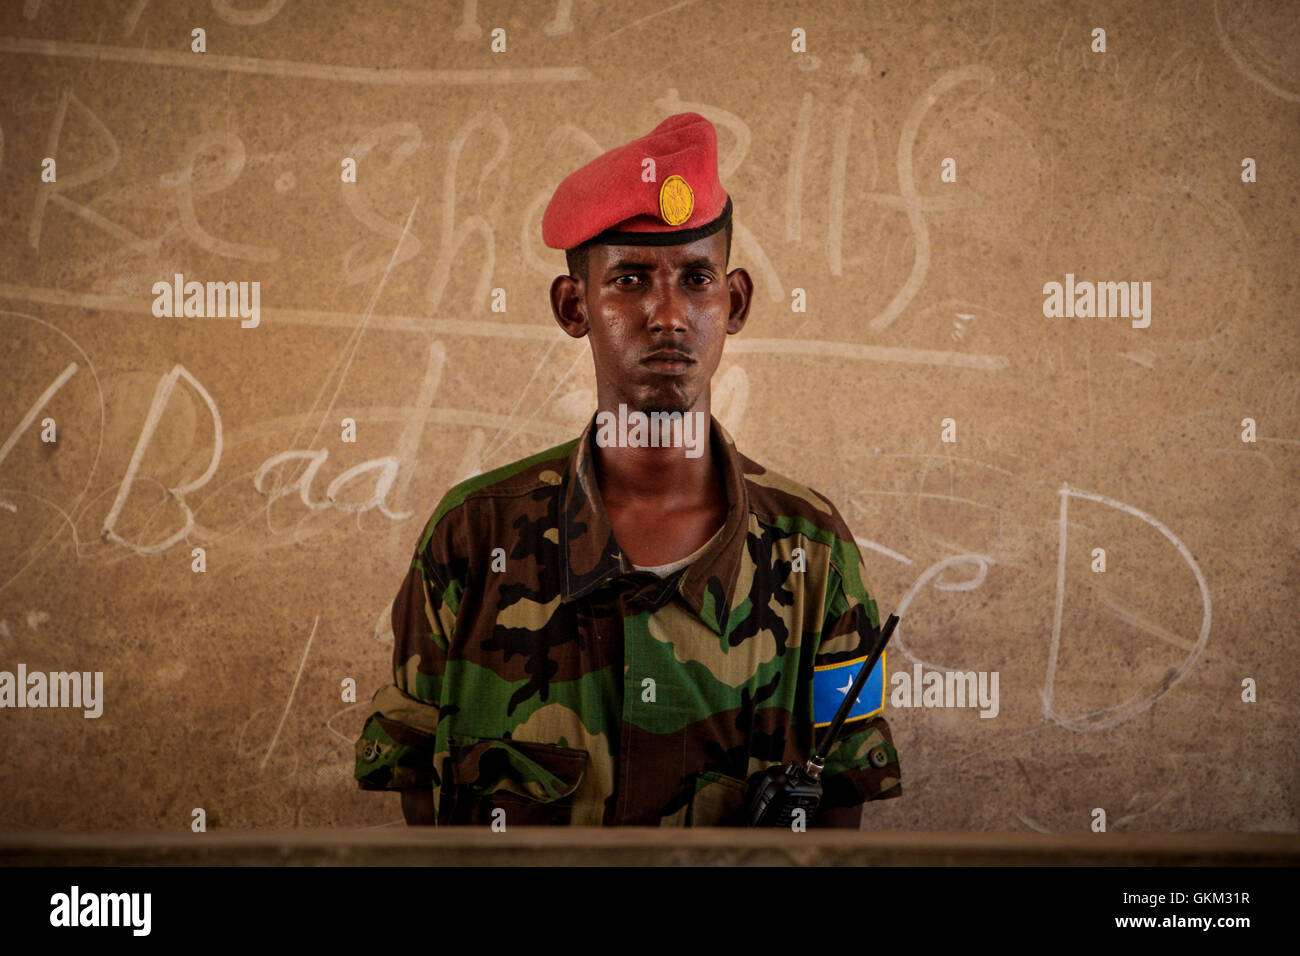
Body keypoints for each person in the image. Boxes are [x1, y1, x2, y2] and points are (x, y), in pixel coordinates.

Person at [354, 112, 901, 827]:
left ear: (734, 302)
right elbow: (419, 795)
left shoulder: (811, 550)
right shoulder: (473, 537)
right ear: (573, 306)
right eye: (631, 280)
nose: (667, 315)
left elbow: (839, 805)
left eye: (696, 279)